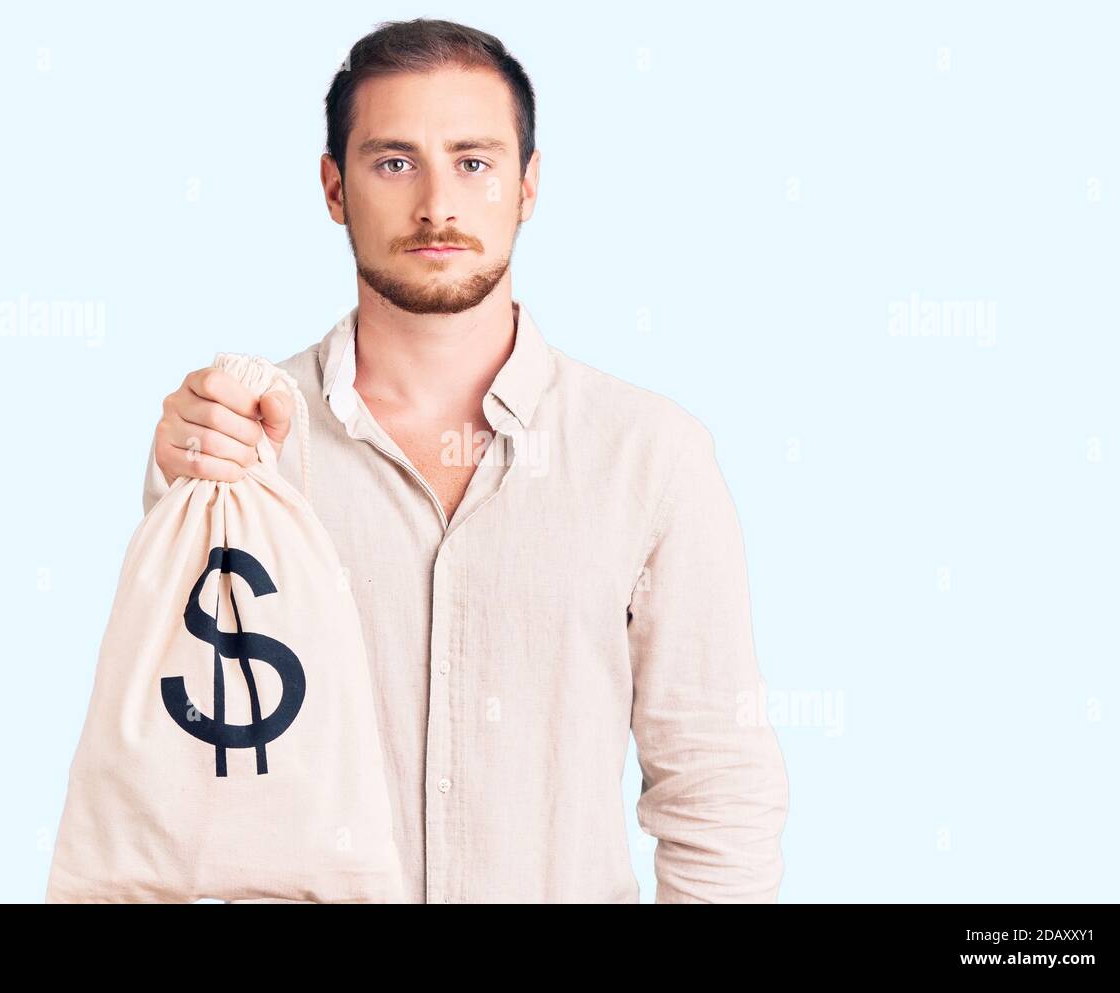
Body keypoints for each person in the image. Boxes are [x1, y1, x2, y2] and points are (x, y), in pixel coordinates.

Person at [143, 17, 789, 903]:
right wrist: (174, 489)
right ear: (334, 187)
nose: (436, 204)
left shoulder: (652, 455)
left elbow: (716, 787)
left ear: (528, 186)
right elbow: (177, 761)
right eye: (394, 161)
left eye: (474, 162)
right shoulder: (241, 444)